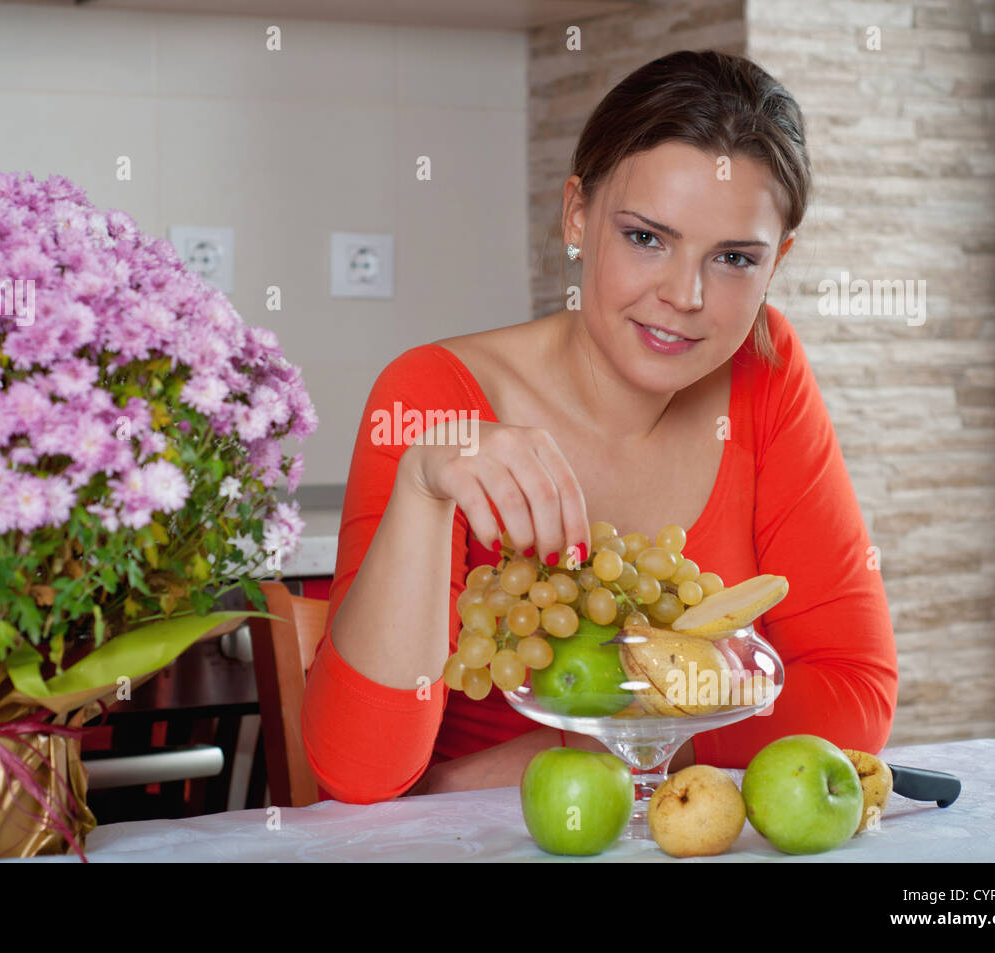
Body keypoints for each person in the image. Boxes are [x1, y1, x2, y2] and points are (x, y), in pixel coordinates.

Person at [300, 49, 898, 803]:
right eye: (647, 237)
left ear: (776, 261)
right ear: (578, 214)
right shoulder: (431, 392)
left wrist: (577, 748)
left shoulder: (764, 366)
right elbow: (358, 774)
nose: (684, 294)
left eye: (734, 258)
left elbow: (855, 693)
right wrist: (423, 489)